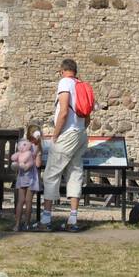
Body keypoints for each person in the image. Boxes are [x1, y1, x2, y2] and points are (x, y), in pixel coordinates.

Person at [36, 58, 88, 232]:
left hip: (67, 134)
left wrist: (56, 135)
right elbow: (87, 115)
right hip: (81, 134)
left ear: (62, 70)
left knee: (51, 175)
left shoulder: (65, 83)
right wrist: (80, 129)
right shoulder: (82, 85)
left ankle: (46, 219)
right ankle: (72, 220)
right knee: (75, 174)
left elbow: (64, 111)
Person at [11, 124, 43, 232]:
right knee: (29, 201)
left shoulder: (23, 145)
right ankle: (27, 224)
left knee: (20, 201)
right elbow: (38, 165)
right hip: (32, 178)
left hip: (21, 176)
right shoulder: (37, 147)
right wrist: (38, 154)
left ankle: (16, 224)